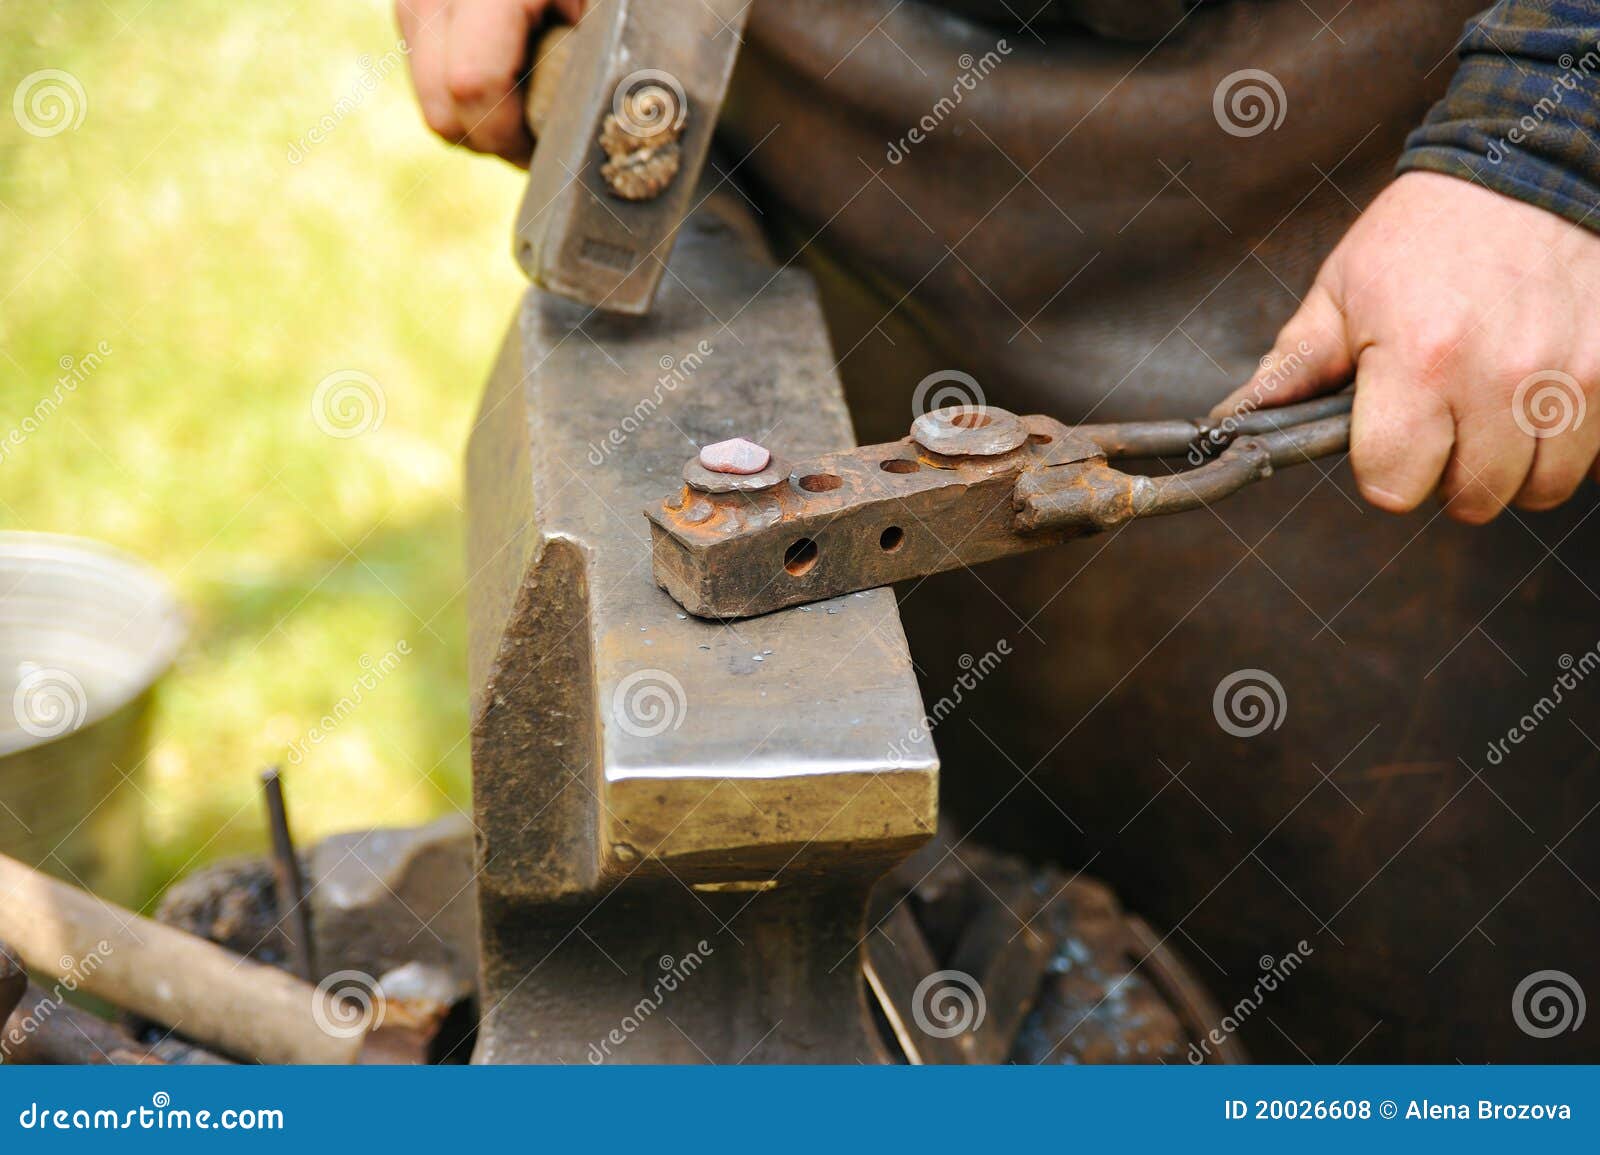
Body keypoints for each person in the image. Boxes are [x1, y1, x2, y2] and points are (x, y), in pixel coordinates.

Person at [399, 0, 1600, 1062]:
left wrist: (1550, 135)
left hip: (1390, 145)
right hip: (855, 136)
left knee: (1425, 964)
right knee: (957, 910)